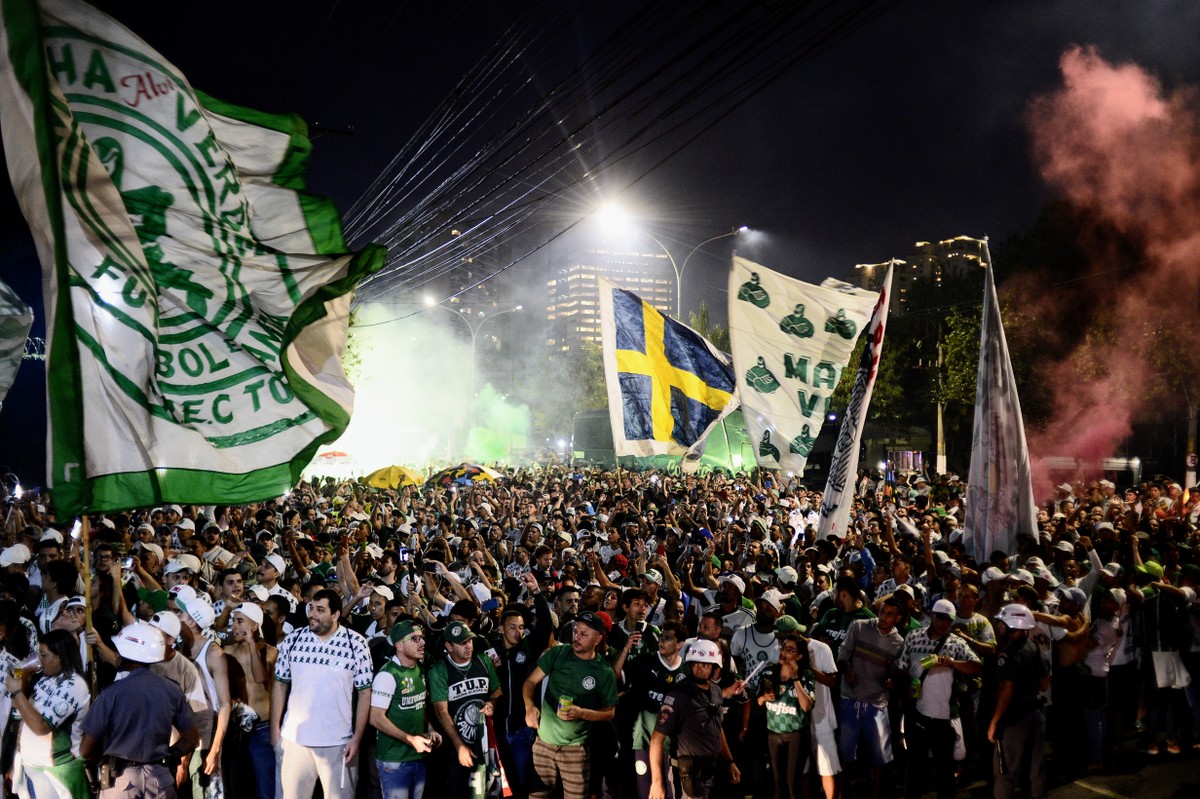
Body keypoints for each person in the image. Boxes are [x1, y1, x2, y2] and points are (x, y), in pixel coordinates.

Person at [272, 588, 373, 799]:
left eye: (320, 610)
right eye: (311, 608)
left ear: (335, 615)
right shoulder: (293, 640)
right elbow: (279, 685)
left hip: (339, 743)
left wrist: (357, 737)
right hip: (294, 741)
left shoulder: (356, 644)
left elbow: (365, 693)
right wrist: (275, 732)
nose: (312, 615)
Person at [80, 621, 199, 799]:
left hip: (120, 781)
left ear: (129, 653)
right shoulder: (172, 690)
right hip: (160, 780)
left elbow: (85, 750)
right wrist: (168, 756)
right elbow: (191, 739)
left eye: (119, 651)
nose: (117, 655)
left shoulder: (112, 693)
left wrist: (105, 759)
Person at [522, 610, 618, 799]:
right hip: (543, 744)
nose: (577, 637)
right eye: (576, 631)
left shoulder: (604, 672)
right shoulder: (558, 653)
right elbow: (530, 682)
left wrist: (582, 713)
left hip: (575, 750)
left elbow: (610, 713)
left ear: (597, 640)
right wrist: (529, 707)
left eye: (584, 634)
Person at [897, 598, 981, 799]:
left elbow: (976, 666)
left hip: (944, 718)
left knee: (945, 771)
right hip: (917, 714)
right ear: (932, 616)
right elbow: (901, 667)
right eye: (941, 618)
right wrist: (906, 686)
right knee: (915, 767)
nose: (944, 624)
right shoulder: (914, 637)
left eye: (949, 620)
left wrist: (952, 663)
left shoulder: (956, 643)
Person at [648, 639, 740, 799]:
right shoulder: (677, 696)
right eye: (695, 664)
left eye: (705, 665)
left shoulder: (716, 691)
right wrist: (657, 782)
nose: (699, 669)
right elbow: (657, 739)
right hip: (687, 775)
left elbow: (717, 728)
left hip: (711, 771)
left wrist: (730, 761)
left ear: (715, 668)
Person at [5, 629, 90, 798]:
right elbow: (19, 707)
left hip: (56, 774)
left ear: (60, 656)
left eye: (44, 655)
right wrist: (23, 676)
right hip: (33, 767)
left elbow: (40, 727)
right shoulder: (46, 677)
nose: (39, 660)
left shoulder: (73, 685)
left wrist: (16, 692)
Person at [836, 597, 903, 799]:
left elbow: (895, 672)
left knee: (879, 756)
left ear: (897, 618)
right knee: (845, 752)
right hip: (850, 699)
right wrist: (846, 671)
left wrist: (892, 680)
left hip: (876, 703)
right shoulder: (858, 626)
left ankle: (875, 794)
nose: (883, 617)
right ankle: (844, 790)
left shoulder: (898, 643)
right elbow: (843, 652)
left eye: (889, 614)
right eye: (882, 611)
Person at [428, 620, 501, 799]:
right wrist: (459, 746)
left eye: (469, 640)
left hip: (484, 745)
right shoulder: (439, 670)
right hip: (455, 748)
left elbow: (497, 690)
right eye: (462, 643)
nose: (468, 646)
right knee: (456, 792)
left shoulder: (483, 661)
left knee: (483, 792)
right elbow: (441, 712)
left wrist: (492, 703)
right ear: (449, 646)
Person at [371, 620, 443, 799]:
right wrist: (409, 739)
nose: (422, 642)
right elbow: (375, 718)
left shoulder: (418, 669)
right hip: (394, 760)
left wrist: (431, 729)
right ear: (399, 646)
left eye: (422, 638)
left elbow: (418, 704)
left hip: (417, 756)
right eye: (415, 639)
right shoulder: (388, 675)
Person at [988, 604, 1050, 799]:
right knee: (1036, 772)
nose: (999, 626)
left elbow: (1006, 692)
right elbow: (1044, 684)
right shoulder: (1033, 647)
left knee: (1005, 773)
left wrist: (994, 722)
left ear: (1013, 624)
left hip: (1014, 722)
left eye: (1002, 623)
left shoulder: (1009, 655)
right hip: (1034, 716)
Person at [222, 603, 276, 799]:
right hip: (236, 732)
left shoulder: (269, 651)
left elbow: (261, 677)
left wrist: (252, 645)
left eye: (240, 621)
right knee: (238, 788)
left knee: (264, 789)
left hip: (262, 729)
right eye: (233, 621)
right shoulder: (226, 651)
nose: (234, 626)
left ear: (254, 626)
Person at [755, 630, 813, 799]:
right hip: (773, 732)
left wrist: (795, 679)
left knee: (792, 785)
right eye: (783, 648)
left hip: (795, 734)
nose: (784, 652)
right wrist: (764, 698)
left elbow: (807, 706)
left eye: (790, 650)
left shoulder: (805, 675)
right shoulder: (767, 672)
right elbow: (757, 702)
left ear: (800, 656)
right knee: (776, 784)